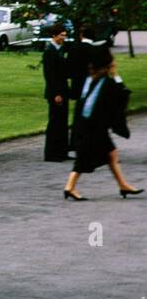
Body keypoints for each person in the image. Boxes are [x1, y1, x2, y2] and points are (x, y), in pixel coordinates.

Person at [64, 48, 141, 200]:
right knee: (85, 159)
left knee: (111, 154)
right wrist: (115, 75)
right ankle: (69, 186)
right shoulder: (107, 83)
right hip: (94, 129)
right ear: (107, 65)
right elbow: (123, 94)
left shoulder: (89, 80)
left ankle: (123, 185)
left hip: (84, 125)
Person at [42, 25, 71, 162]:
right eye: (61, 35)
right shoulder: (49, 51)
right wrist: (56, 93)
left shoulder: (60, 49)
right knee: (55, 122)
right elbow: (50, 75)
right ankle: (51, 153)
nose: (63, 38)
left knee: (63, 122)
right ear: (54, 35)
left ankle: (62, 151)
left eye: (64, 35)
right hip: (56, 92)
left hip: (63, 90)